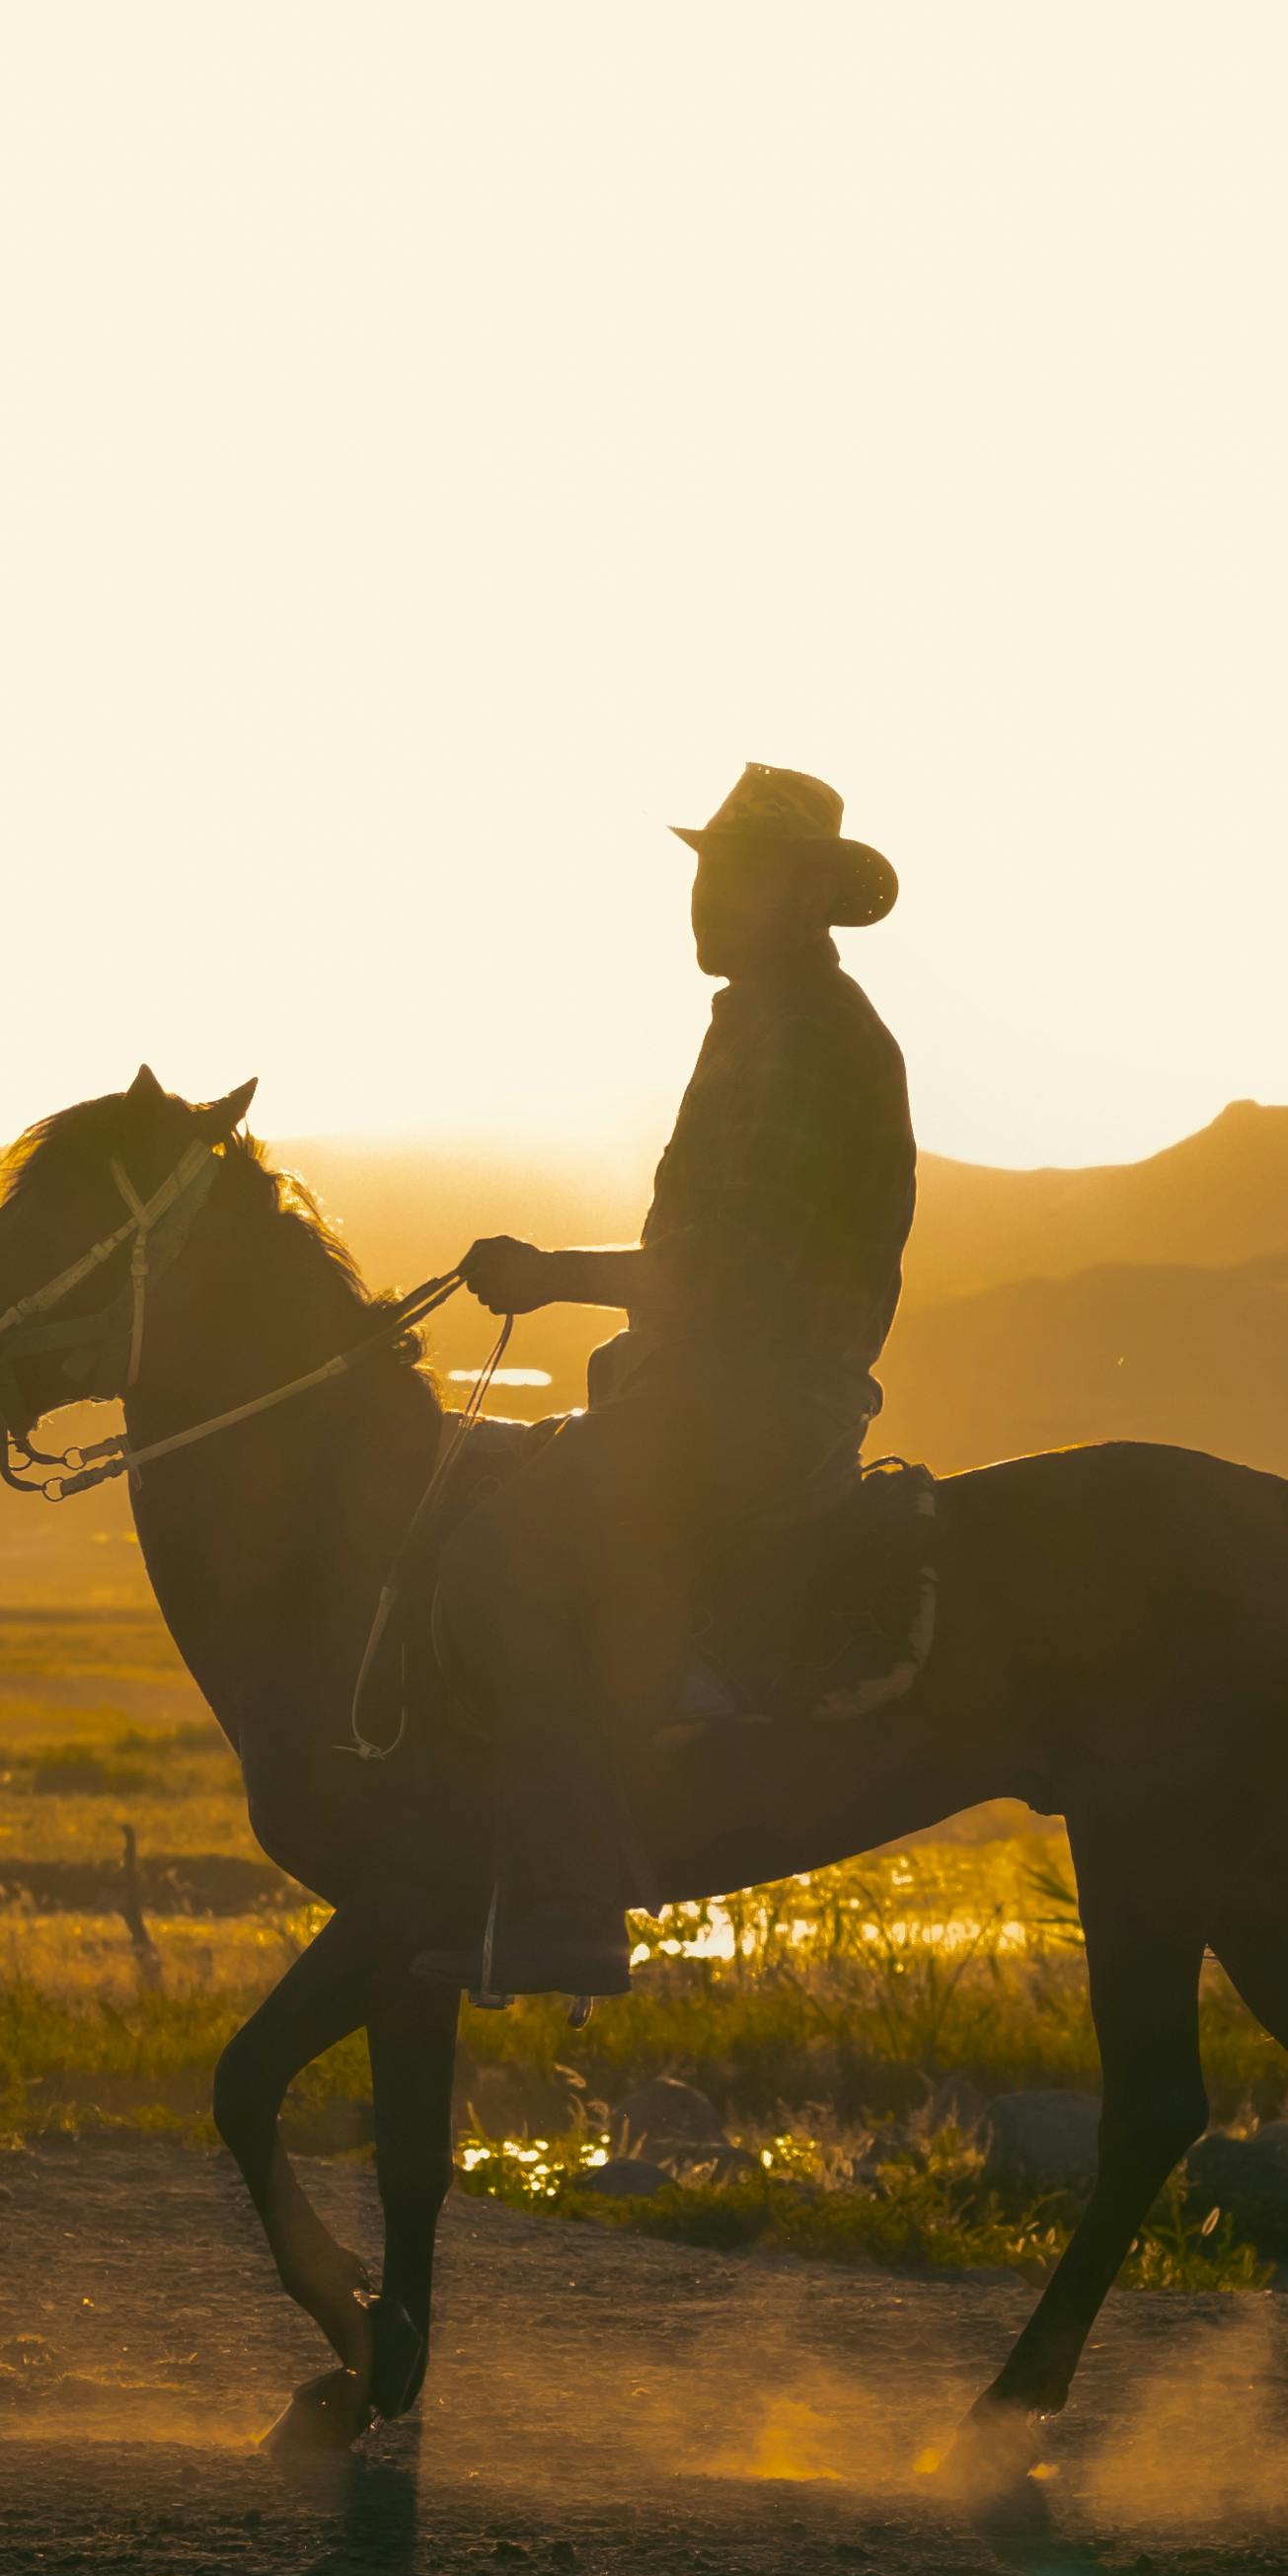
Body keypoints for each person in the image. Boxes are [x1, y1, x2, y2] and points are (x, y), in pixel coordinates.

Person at [444, 763, 914, 1996]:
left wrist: (554, 1273)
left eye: (725, 876)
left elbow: (731, 1268)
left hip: (751, 1400)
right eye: (699, 875)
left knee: (499, 1568)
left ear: (792, 893)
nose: (699, 903)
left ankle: (562, 1909)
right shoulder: (764, 1022)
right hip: (718, 1389)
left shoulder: (808, 1038)